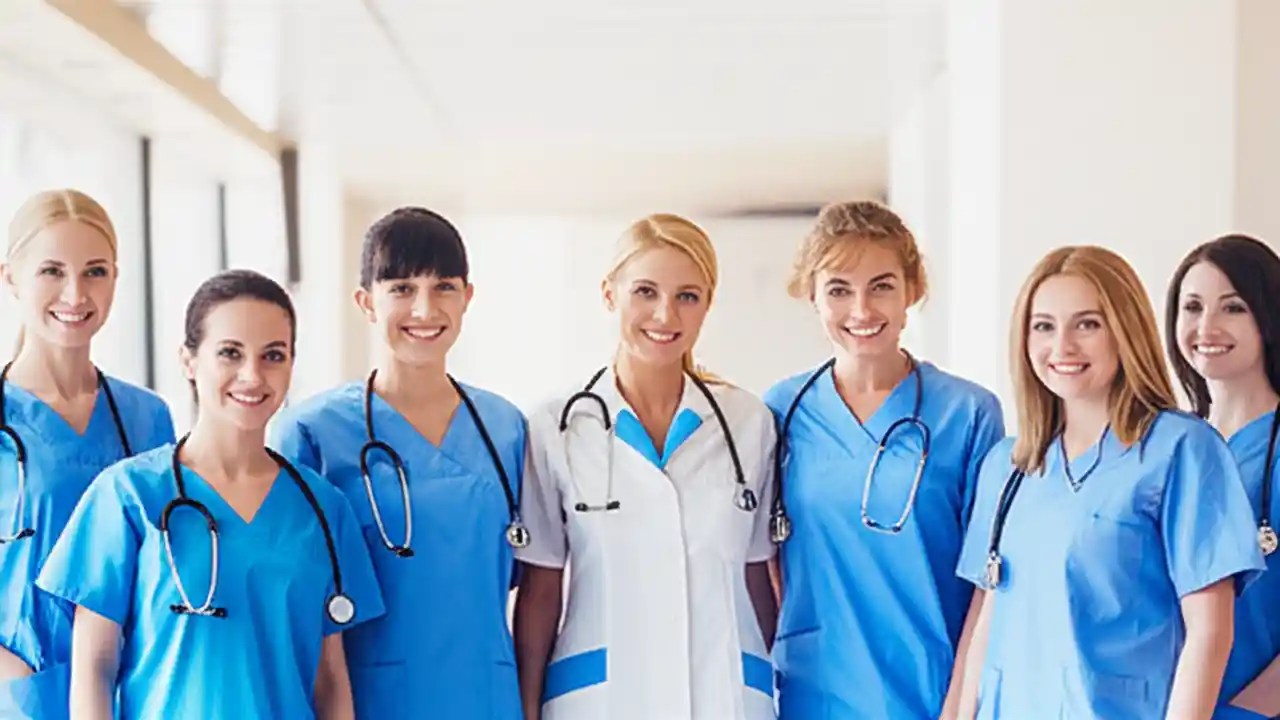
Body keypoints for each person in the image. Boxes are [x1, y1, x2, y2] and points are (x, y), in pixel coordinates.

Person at [36, 270, 384, 719]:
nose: (252, 375)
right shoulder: (130, 495)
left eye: (273, 355)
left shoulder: (322, 508)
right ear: (189, 360)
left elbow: (330, 681)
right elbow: (94, 667)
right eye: (230, 353)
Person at [955, 245, 1265, 719]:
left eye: (1087, 324)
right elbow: (987, 623)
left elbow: (1209, 631)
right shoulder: (1009, 466)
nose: (1063, 347)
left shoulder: (1180, 449)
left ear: (1125, 330)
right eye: (1044, 326)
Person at [513, 213, 778, 720]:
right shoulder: (557, 427)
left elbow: (758, 577)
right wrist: (527, 710)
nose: (665, 314)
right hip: (600, 701)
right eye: (645, 292)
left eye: (687, 296)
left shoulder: (747, 422)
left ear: (707, 305)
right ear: (609, 294)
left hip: (721, 697)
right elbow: (541, 589)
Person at [273, 207, 528, 719]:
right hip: (371, 702)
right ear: (366, 302)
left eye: (444, 287)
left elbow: (527, 576)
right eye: (402, 288)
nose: (425, 308)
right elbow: (293, 601)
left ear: (468, 297)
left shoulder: (505, 428)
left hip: (485, 698)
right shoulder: (314, 432)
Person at [763, 200, 1005, 719]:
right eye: (838, 290)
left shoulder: (968, 413)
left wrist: (962, 705)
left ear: (911, 290)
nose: (862, 310)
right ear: (811, 294)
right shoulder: (782, 411)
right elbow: (765, 561)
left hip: (930, 691)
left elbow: (988, 586)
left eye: (881, 286)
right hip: (815, 693)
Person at [0, 189, 174, 719]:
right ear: (11, 278)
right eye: (52, 271)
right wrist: (19, 678)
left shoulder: (147, 417)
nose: (76, 293)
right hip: (25, 695)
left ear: (115, 279)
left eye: (95, 272)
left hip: (135, 689)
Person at [1167, 234, 1280, 720]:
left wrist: (1243, 712)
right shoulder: (1172, 445)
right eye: (1192, 307)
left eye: (1233, 308)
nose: (1206, 326)